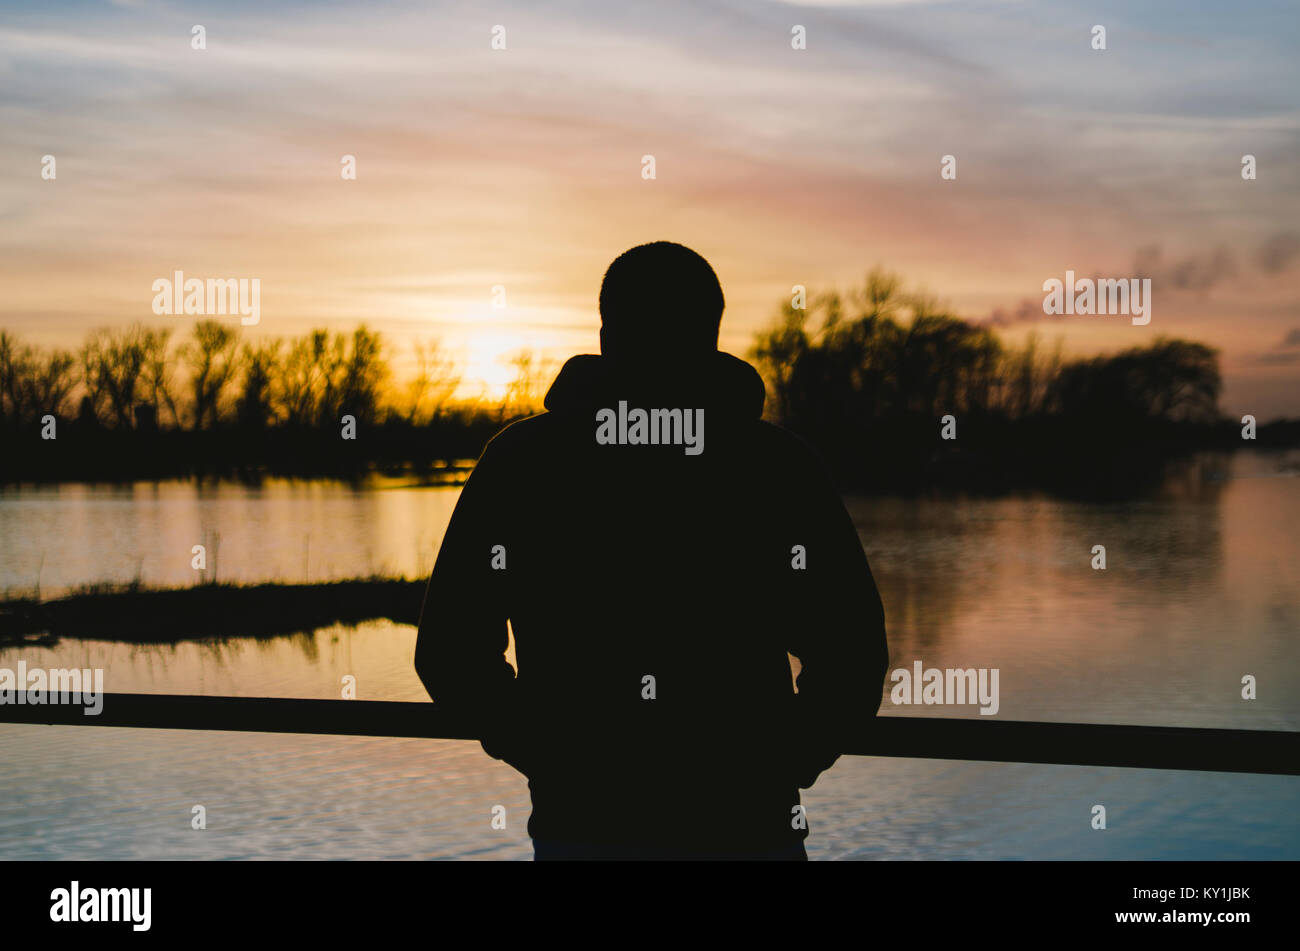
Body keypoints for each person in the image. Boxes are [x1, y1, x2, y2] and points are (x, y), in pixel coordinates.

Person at [415, 241, 889, 860]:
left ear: (608, 332)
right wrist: (782, 762)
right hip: (745, 827)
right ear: (712, 334)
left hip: (584, 828)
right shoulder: (774, 465)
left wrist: (549, 754)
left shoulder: (525, 462)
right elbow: (852, 652)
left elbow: (449, 650)